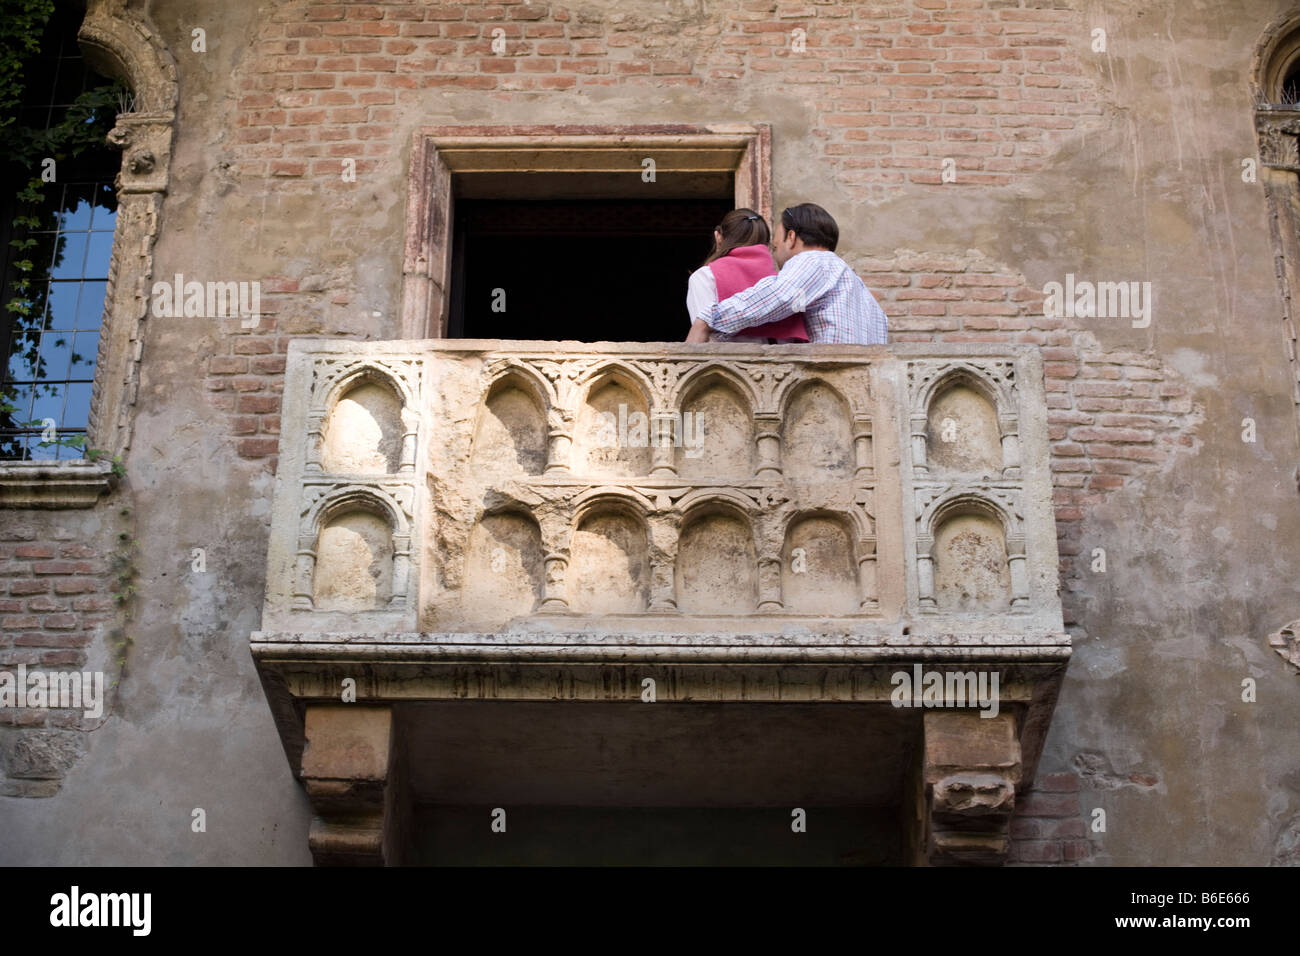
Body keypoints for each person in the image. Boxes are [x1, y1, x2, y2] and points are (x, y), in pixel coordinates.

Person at [686, 203, 889, 345]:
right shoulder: (858, 286)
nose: (774, 255)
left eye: (775, 247)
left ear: (791, 237)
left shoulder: (812, 261)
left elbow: (779, 296)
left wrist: (708, 319)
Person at [685, 208, 809, 344]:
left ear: (718, 236)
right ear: (767, 243)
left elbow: (704, 336)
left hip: (726, 362)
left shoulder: (705, 277)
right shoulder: (784, 281)